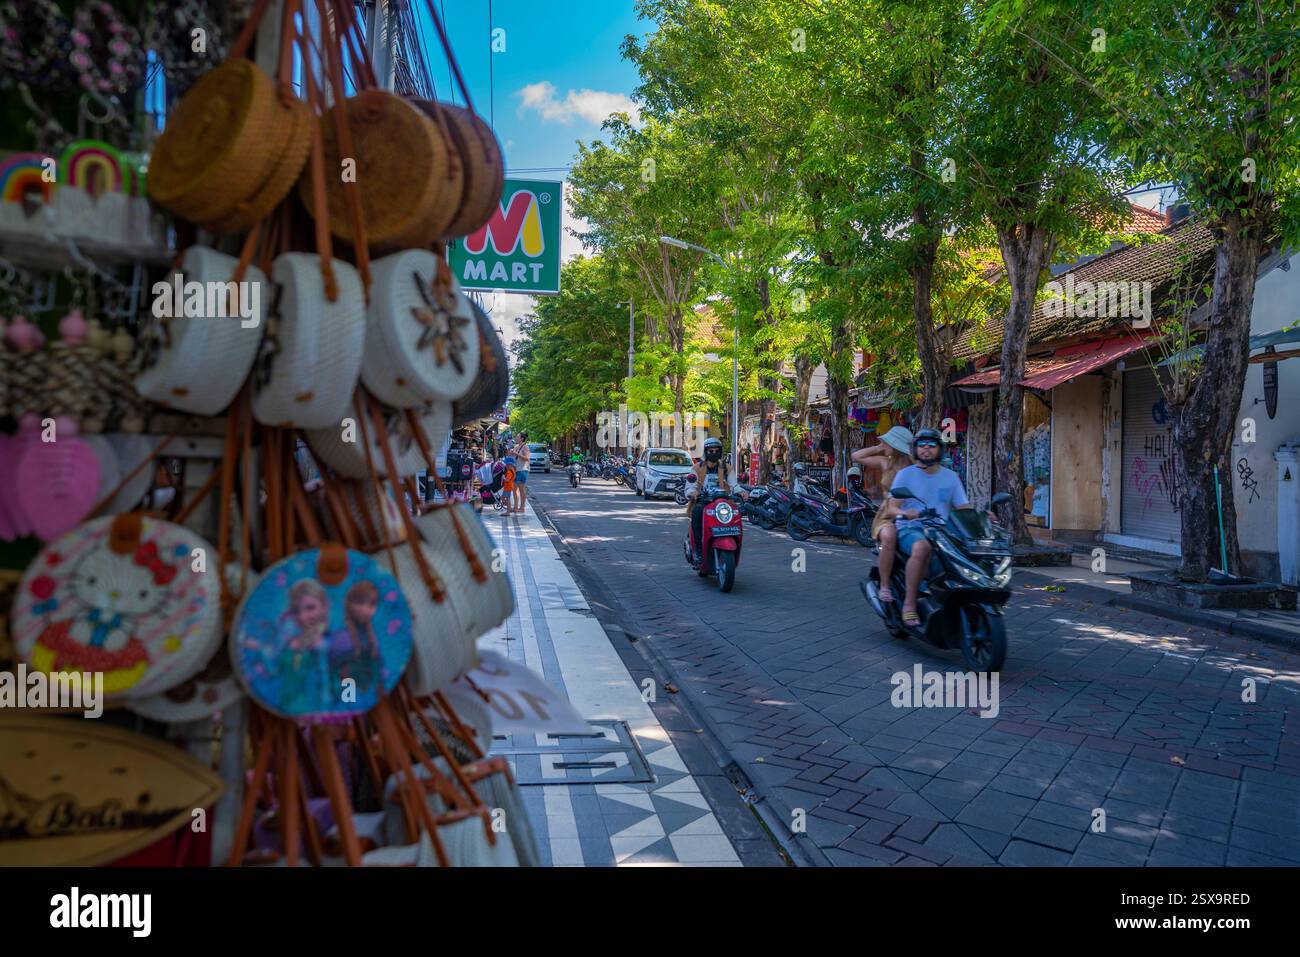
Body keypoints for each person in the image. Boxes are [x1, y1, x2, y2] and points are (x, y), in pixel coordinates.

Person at [883, 428, 972, 628]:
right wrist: (906, 513)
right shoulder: (905, 475)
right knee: (922, 547)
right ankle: (909, 604)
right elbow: (891, 507)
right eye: (921, 445)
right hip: (910, 529)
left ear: (940, 449)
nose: (926, 449)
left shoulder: (951, 477)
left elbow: (963, 507)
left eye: (931, 445)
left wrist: (981, 516)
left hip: (943, 531)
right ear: (915, 449)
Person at [852, 426, 914, 603]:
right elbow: (857, 456)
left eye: (886, 441)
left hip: (913, 512)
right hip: (888, 515)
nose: (882, 443)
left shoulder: (916, 466)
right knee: (889, 537)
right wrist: (879, 447)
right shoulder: (885, 462)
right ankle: (885, 585)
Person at [686, 437, 733, 562]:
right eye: (710, 451)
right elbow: (691, 486)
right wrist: (692, 493)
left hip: (722, 502)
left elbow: (734, 484)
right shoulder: (697, 468)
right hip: (703, 502)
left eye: (716, 450)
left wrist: (742, 492)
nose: (714, 453)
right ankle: (698, 551)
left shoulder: (727, 468)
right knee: (697, 513)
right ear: (706, 452)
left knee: (735, 514)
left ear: (720, 451)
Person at [510, 432, 530, 513]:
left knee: (521, 489)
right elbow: (513, 457)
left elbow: (527, 458)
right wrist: (511, 453)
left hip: (523, 470)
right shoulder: (516, 446)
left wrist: (516, 453)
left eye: (517, 437)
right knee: (514, 489)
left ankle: (522, 507)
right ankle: (515, 507)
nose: (516, 438)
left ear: (522, 438)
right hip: (515, 470)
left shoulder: (525, 447)